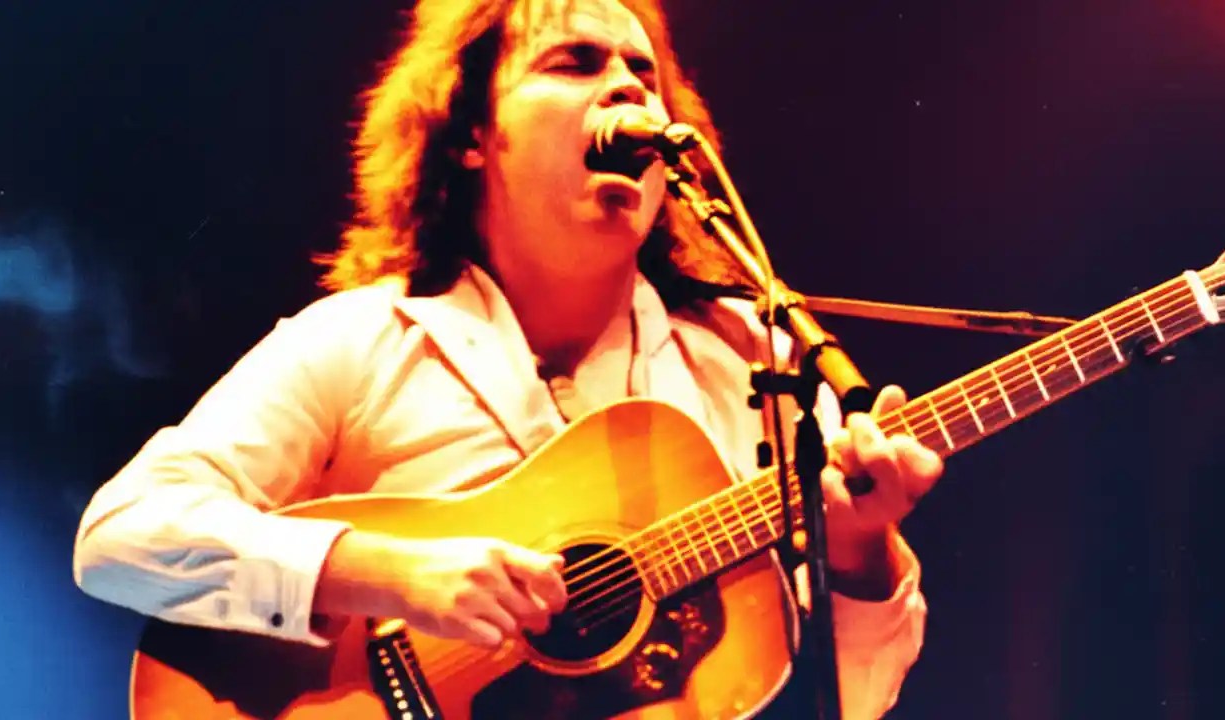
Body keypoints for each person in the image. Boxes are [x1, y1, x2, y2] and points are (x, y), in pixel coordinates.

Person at [73, 0, 944, 717]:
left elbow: (854, 701)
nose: (628, 94)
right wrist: (388, 575)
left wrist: (862, 554)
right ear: (470, 133)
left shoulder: (755, 362)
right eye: (576, 64)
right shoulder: (361, 341)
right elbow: (122, 537)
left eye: (644, 74)